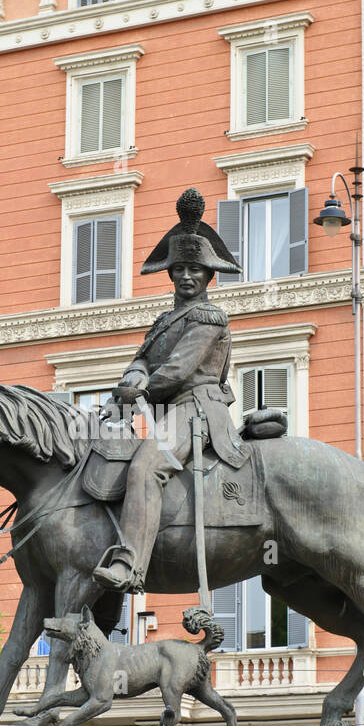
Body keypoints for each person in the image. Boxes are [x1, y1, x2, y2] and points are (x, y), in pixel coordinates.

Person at [93, 188, 247, 592]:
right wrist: (133, 377)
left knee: (146, 468)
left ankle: (129, 566)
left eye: (195, 269)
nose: (186, 276)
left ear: (209, 275)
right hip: (167, 410)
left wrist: (140, 390)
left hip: (197, 409)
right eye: (179, 269)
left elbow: (178, 371)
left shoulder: (210, 317)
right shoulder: (164, 320)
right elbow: (142, 358)